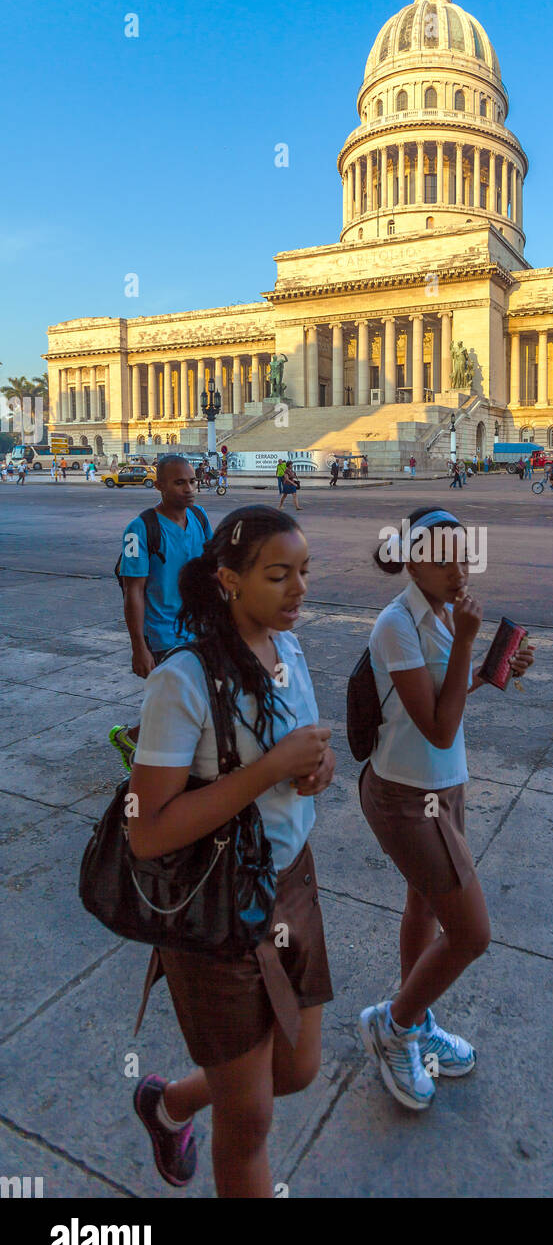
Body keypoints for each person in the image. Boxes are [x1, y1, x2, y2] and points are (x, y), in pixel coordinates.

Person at [128, 505, 335, 1197]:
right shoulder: (181, 681)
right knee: (250, 1123)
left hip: (291, 882)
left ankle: (172, 1101)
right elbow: (148, 829)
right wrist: (272, 769)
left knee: (298, 1070)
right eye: (279, 575)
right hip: (218, 909)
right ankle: (195, 1107)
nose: (299, 589)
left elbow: (298, 761)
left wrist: (313, 772)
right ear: (228, 581)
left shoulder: (290, 650)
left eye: (304, 572)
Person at [358, 506, 534, 1109]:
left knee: (423, 906)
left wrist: (490, 668)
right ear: (414, 561)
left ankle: (418, 1019)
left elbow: (444, 698)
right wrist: (466, 642)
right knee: (472, 933)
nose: (460, 568)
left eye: (464, 555)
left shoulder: (436, 613)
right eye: (445, 557)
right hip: (407, 796)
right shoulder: (395, 623)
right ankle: (395, 1024)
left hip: (443, 786)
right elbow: (437, 725)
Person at [108, 456, 214, 773]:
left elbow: (210, 569)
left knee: (187, 699)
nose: (189, 489)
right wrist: (138, 646)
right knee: (175, 699)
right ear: (159, 486)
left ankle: (140, 740)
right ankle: (139, 746)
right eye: (179, 482)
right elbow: (133, 592)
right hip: (162, 634)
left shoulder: (199, 517)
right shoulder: (140, 529)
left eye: (192, 481)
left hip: (199, 628)